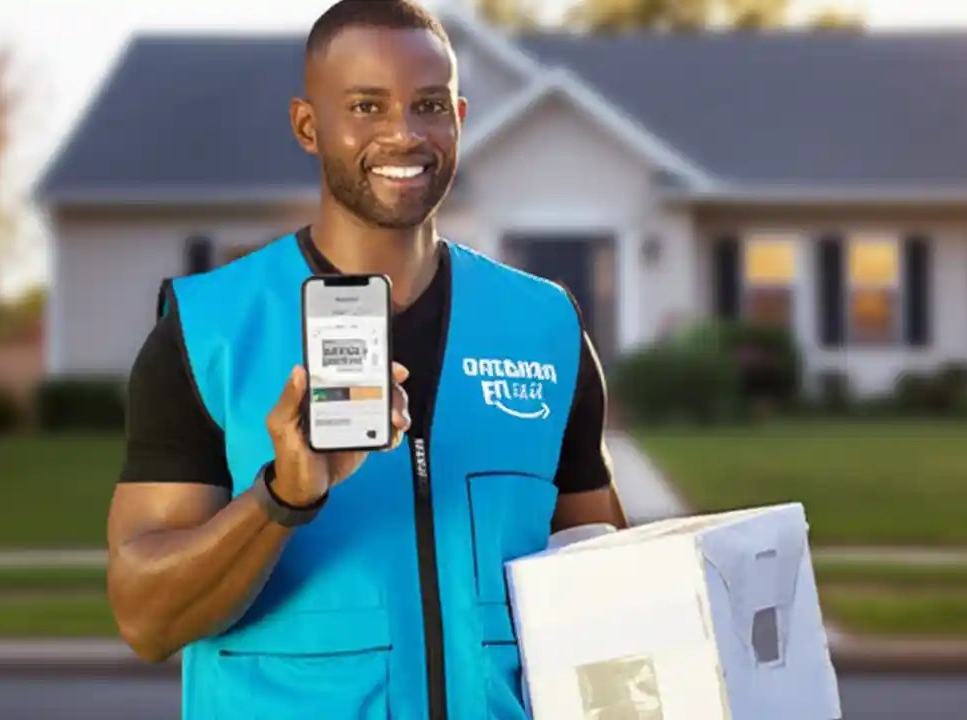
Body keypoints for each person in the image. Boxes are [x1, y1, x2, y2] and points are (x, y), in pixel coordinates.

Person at [106, 1, 629, 718]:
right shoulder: (209, 330)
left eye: (429, 106)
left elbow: (611, 588)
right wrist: (282, 498)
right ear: (307, 126)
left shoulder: (545, 326)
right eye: (366, 106)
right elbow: (146, 617)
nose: (404, 134)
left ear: (461, 118)